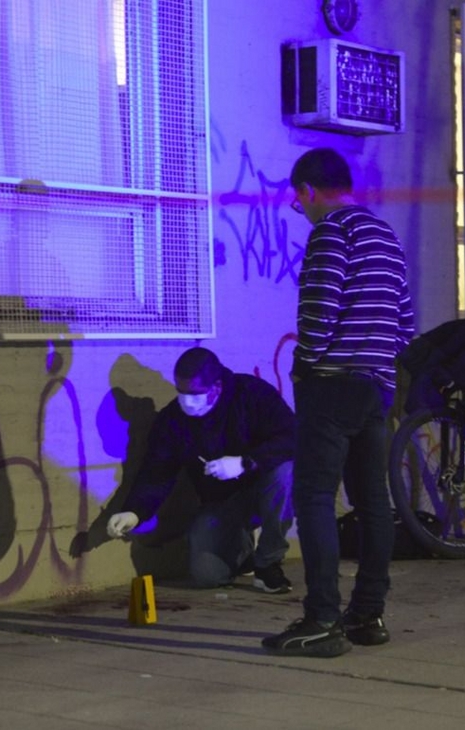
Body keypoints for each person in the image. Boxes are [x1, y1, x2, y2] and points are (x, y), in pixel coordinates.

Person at [261, 147, 415, 658]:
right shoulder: (386, 238)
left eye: (297, 199)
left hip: (330, 385)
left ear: (307, 190)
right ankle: (368, 615)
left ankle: (322, 619)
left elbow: (319, 313)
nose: (299, 209)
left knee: (314, 498)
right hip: (376, 386)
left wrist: (307, 365)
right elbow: (406, 324)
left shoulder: (332, 232)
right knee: (373, 502)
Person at [107, 347, 296, 592]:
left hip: (264, 487)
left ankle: (269, 563)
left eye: (195, 393)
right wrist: (134, 512)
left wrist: (244, 462)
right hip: (222, 502)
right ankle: (244, 552)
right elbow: (157, 471)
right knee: (208, 575)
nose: (187, 400)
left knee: (284, 473)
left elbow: (291, 438)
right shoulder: (173, 420)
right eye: (180, 391)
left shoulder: (251, 394)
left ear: (216, 386)